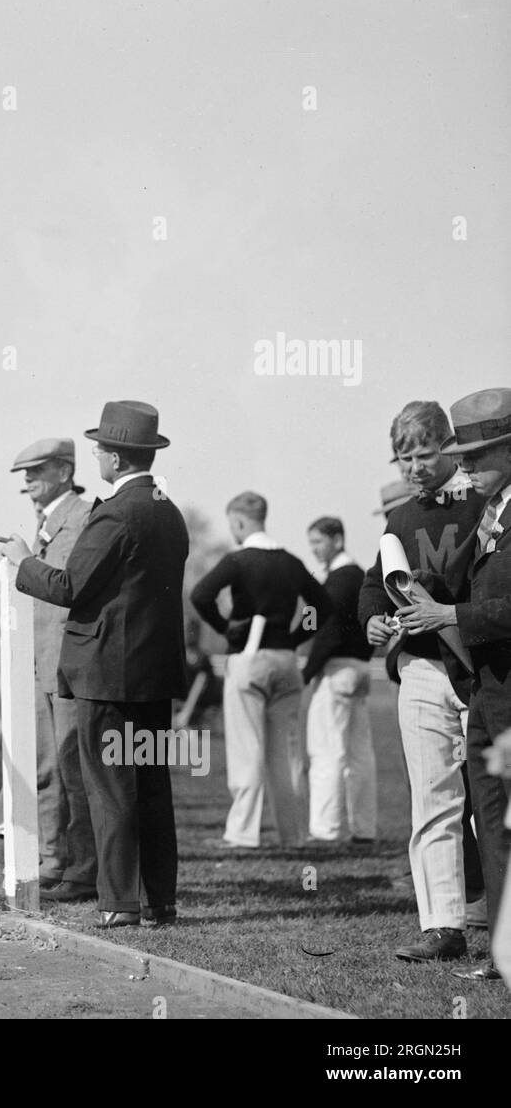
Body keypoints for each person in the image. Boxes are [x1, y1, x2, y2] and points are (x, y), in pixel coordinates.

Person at [1, 400, 188, 928]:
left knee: (109, 790)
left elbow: (69, 586)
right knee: (151, 787)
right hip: (154, 672)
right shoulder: (167, 511)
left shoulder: (115, 512)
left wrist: (23, 561)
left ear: (115, 456)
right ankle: (158, 900)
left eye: (100, 449)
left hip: (108, 672)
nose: (96, 458)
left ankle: (119, 901)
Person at [359, 400, 484, 965]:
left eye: (424, 454)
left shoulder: (484, 501)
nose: (412, 466)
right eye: (402, 457)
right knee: (433, 800)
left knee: (492, 799)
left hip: (483, 668)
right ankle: (441, 926)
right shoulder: (402, 517)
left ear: (450, 449)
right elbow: (371, 583)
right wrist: (373, 619)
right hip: (422, 669)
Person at [400, 388, 511, 981]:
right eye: (461, 451)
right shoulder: (488, 511)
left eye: (478, 452)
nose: (465, 463)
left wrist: (451, 617)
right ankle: (500, 949)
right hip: (487, 690)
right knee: (489, 822)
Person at [0, 439, 100, 905]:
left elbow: (64, 588)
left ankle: (82, 868)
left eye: (35, 472)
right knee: (48, 768)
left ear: (62, 471)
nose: (28, 482)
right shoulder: (50, 521)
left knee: (75, 768)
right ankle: (54, 861)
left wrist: (24, 560)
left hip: (63, 665)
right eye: (25, 474)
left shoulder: (80, 517)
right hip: (40, 662)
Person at [191, 492, 333, 850]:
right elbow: (323, 606)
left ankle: (242, 834)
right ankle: (293, 835)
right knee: (283, 755)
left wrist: (226, 629)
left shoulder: (238, 560)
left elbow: (201, 595)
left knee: (247, 750)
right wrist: (296, 634)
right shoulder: (292, 562)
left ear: (238, 521)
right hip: (287, 659)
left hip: (249, 655)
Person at [303, 516, 377, 845]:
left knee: (326, 751)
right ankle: (364, 829)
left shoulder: (338, 580)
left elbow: (328, 633)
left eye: (318, 542)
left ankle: (325, 828)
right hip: (360, 667)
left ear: (337, 539)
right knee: (360, 754)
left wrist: (306, 673)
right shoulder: (359, 576)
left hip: (337, 670)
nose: (315, 550)